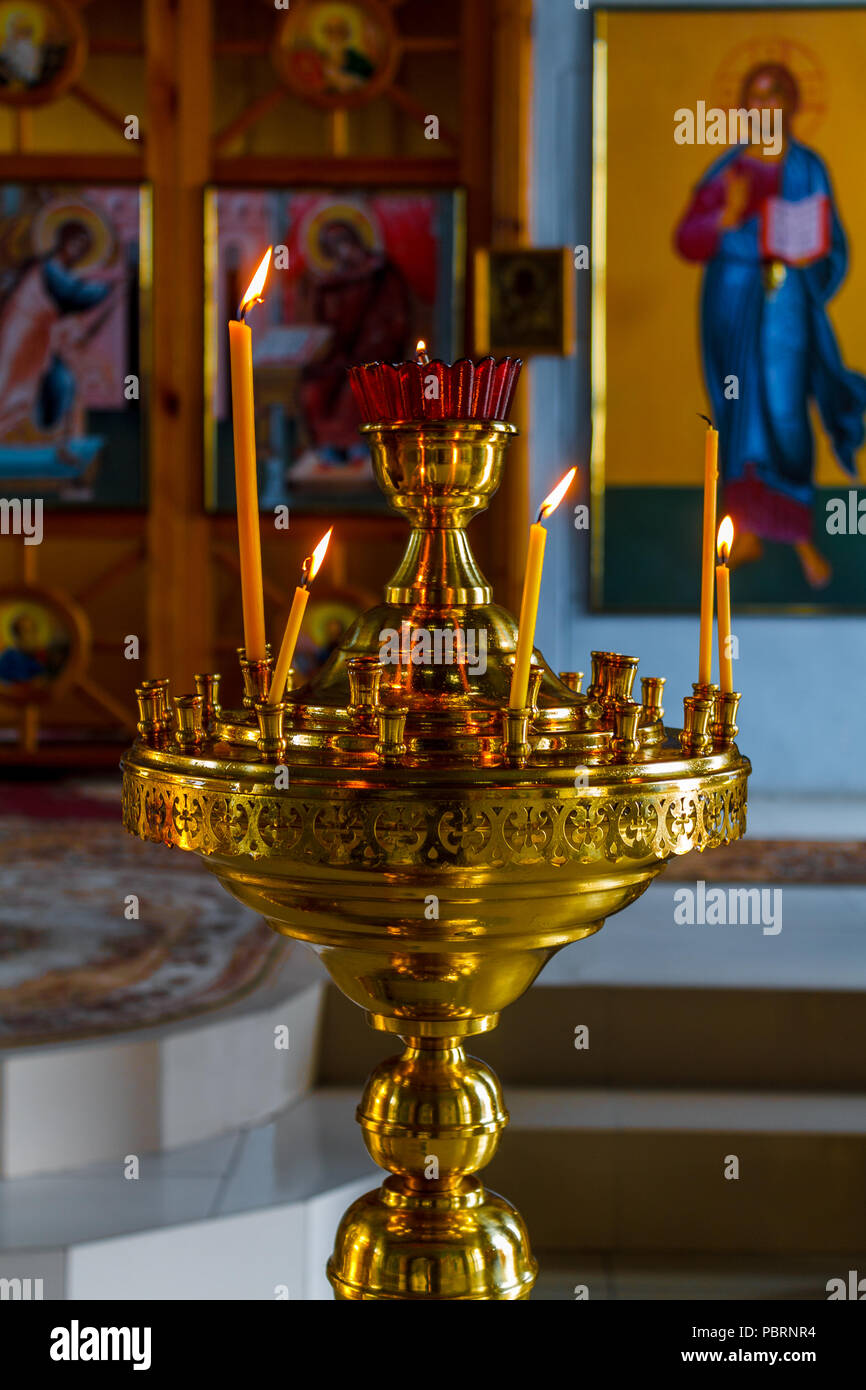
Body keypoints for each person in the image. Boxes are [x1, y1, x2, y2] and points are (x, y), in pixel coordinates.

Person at [675, 62, 866, 588]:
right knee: (738, 410)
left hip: (786, 303)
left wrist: (810, 257)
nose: (765, 107)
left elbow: (836, 245)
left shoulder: (808, 166)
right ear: (744, 107)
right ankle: (746, 530)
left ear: (790, 104)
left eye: (775, 96)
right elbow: (689, 239)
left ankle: (798, 535)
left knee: (785, 410)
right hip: (733, 300)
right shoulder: (730, 170)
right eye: (756, 97)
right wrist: (727, 217)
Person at [294, 217, 410, 479]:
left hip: (376, 353)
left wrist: (368, 349)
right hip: (342, 354)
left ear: (356, 241)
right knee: (314, 387)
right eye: (334, 246)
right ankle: (329, 451)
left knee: (354, 389)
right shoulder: (333, 282)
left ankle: (360, 451)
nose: (342, 250)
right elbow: (326, 323)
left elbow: (393, 319)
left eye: (344, 242)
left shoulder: (381, 274)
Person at [0, 219, 115, 459]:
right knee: (10, 390)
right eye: (76, 243)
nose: (78, 250)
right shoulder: (49, 269)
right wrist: (110, 287)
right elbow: (74, 295)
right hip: (19, 338)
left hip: (37, 341)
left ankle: (60, 445)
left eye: (84, 247)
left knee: (62, 382)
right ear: (63, 240)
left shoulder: (57, 272)